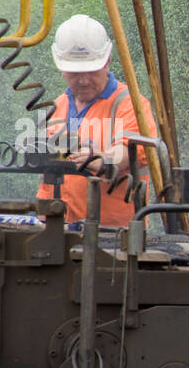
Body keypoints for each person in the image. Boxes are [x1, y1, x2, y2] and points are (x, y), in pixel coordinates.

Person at [35, 14, 155, 225]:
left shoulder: (130, 103)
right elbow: (48, 174)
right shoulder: (57, 107)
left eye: (91, 71)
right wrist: (42, 218)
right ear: (62, 69)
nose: (83, 80)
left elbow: (130, 151)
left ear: (106, 61)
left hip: (117, 240)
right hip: (60, 231)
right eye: (75, 73)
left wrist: (102, 158)